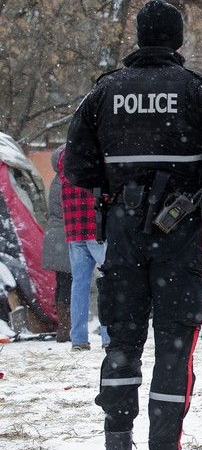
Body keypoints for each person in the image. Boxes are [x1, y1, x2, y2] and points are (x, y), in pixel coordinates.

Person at [63, 0, 202, 450]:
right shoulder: (197, 93)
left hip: (122, 235)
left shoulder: (104, 92)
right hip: (179, 234)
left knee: (121, 343)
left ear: (140, 35)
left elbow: (75, 165)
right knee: (174, 347)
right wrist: (193, 175)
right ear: (178, 40)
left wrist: (120, 183)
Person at [59, 148, 109, 350]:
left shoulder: (64, 158)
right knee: (109, 282)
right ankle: (108, 336)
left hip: (74, 230)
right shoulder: (96, 154)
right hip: (96, 229)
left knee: (79, 286)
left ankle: (79, 339)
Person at [41, 146, 72, 342]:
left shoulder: (55, 181)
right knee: (69, 283)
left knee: (63, 283)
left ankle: (64, 326)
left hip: (55, 236)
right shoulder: (68, 181)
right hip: (66, 236)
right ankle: (66, 328)